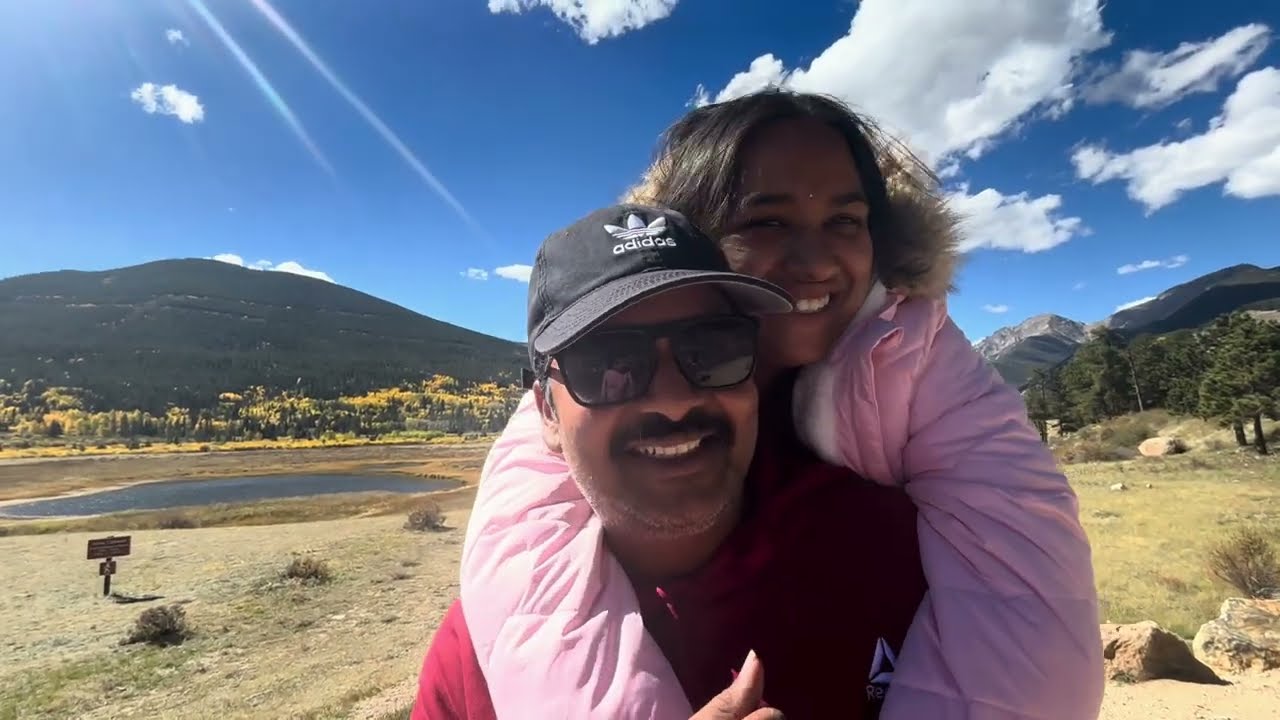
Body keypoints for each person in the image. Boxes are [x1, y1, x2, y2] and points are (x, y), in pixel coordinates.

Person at [456, 90, 1104, 719]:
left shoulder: (909, 347)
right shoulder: (571, 393)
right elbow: (531, 576)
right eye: (767, 221)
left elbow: (1027, 588)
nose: (816, 261)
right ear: (692, 246)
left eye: (845, 221)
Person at [413, 203, 930, 719]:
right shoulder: (482, 653)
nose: (673, 399)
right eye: (610, 365)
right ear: (547, 411)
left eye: (713, 349)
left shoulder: (886, 545)